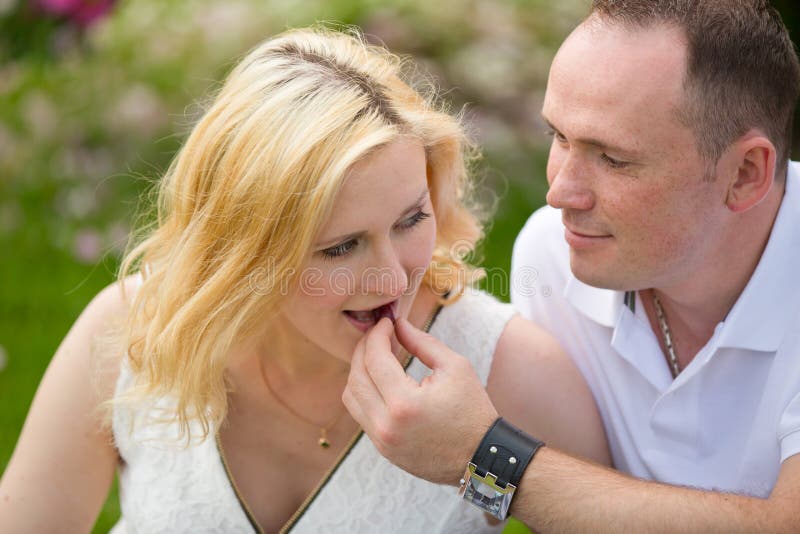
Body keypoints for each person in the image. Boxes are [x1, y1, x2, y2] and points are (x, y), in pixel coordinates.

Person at [0, 27, 609, 533]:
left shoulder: (505, 366)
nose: (393, 276)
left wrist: (479, 458)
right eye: (340, 247)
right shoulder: (131, 330)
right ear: (243, 250)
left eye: (410, 219)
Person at [344, 0, 800, 531]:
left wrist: (479, 453)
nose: (559, 192)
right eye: (559, 137)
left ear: (745, 173)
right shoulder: (553, 254)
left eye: (613, 159)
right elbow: (562, 510)